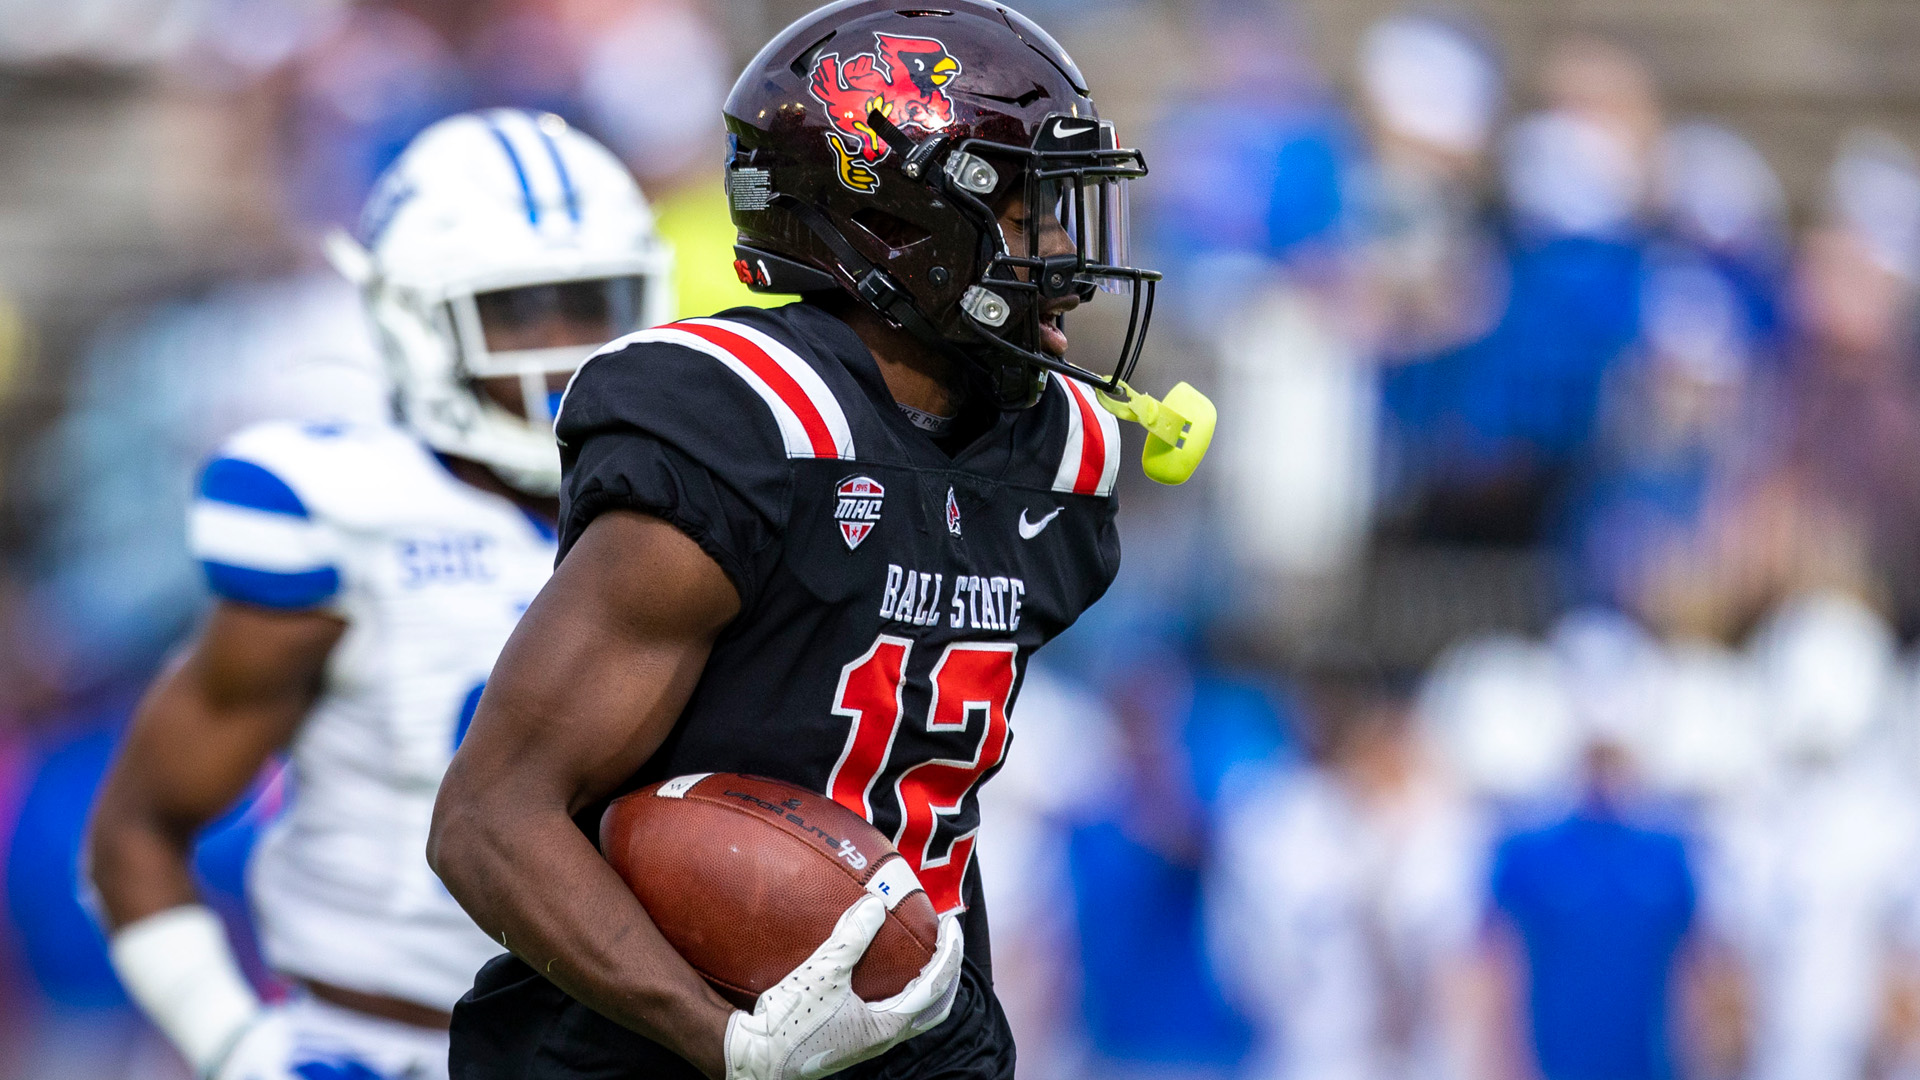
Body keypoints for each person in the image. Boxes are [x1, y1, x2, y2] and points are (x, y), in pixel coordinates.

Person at [425, 3, 1209, 1080]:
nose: (1068, 259)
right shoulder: (744, 432)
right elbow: (487, 819)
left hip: (911, 1024)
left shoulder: (1058, 454)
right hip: (645, 1041)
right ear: (909, 226)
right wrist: (731, 1047)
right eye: (1030, 217)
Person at [84, 108, 673, 1080]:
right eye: (518, 313)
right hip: (383, 1049)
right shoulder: (343, 513)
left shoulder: (697, 505)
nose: (563, 349)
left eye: (591, 302)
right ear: (416, 318)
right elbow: (137, 828)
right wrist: (230, 1041)